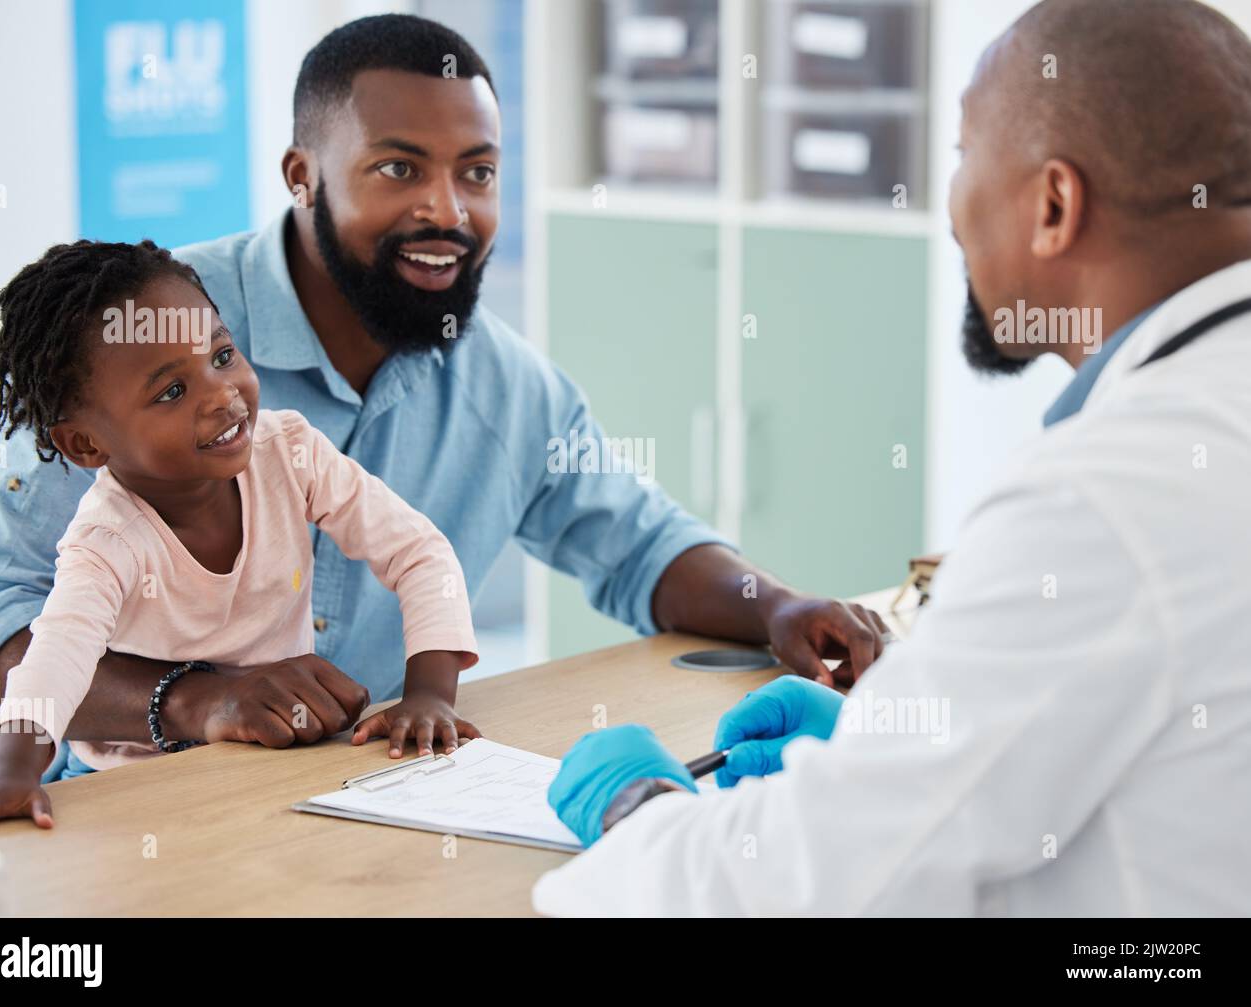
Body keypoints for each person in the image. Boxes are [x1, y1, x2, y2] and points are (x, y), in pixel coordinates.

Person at [0, 14, 889, 783]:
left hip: (332, 810)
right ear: (302, 175)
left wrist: (774, 603)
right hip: (93, 823)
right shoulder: (145, 336)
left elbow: (642, 545)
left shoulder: (504, 385)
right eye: (399, 168)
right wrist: (185, 698)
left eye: (476, 172)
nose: (448, 210)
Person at [534, 0, 1251, 916]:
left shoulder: (1108, 493)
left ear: (1053, 205)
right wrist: (893, 732)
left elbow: (803, 892)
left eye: (960, 157)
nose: (951, 207)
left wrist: (638, 808)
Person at [0, 239, 481, 827]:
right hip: (136, 781)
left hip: (274, 756)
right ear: (86, 444)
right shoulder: (107, 540)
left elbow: (417, 551)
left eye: (221, 355)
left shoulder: (289, 453)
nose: (223, 394)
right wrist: (13, 770)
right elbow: (55, 657)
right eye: (171, 392)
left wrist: (431, 693)